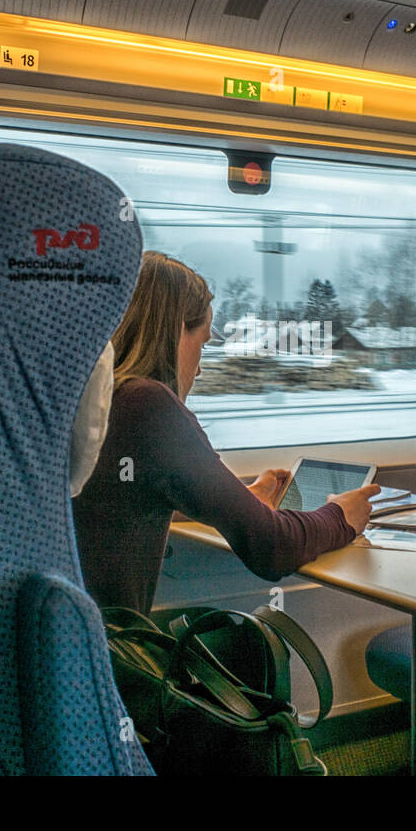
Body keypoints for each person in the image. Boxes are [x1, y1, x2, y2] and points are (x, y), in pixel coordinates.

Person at [72, 251, 380, 613]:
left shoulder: (91, 398)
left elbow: (119, 507)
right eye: (201, 344)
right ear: (174, 333)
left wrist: (246, 499)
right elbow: (272, 548)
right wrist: (341, 517)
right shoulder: (148, 405)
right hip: (114, 650)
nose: (199, 370)